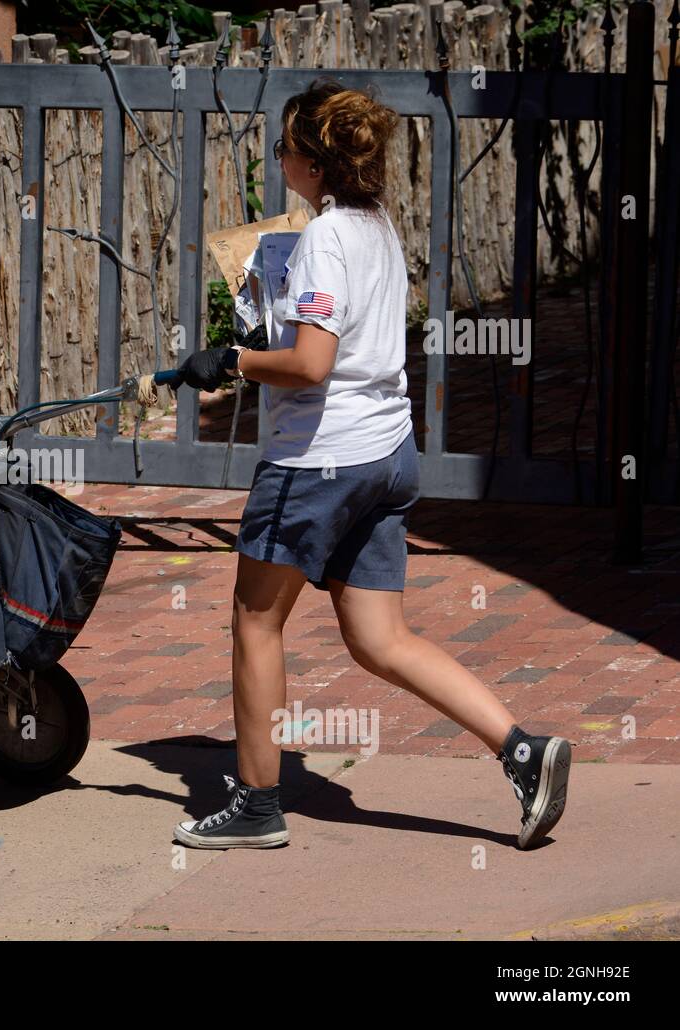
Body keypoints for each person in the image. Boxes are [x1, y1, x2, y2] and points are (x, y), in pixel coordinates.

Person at [169, 80, 570, 851]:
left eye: (286, 149)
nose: (279, 161)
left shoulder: (324, 238)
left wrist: (233, 360)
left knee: (255, 619)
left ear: (315, 165)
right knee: (380, 639)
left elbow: (312, 364)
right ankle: (523, 750)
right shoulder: (375, 224)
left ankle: (256, 805)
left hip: (318, 461)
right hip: (386, 453)